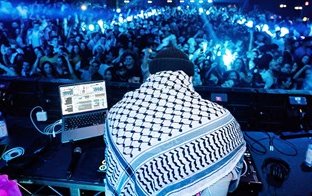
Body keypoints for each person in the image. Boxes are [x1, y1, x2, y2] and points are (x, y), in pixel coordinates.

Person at [104, 47, 246, 195]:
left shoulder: (117, 112)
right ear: (189, 79)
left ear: (151, 75)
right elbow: (230, 175)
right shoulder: (220, 119)